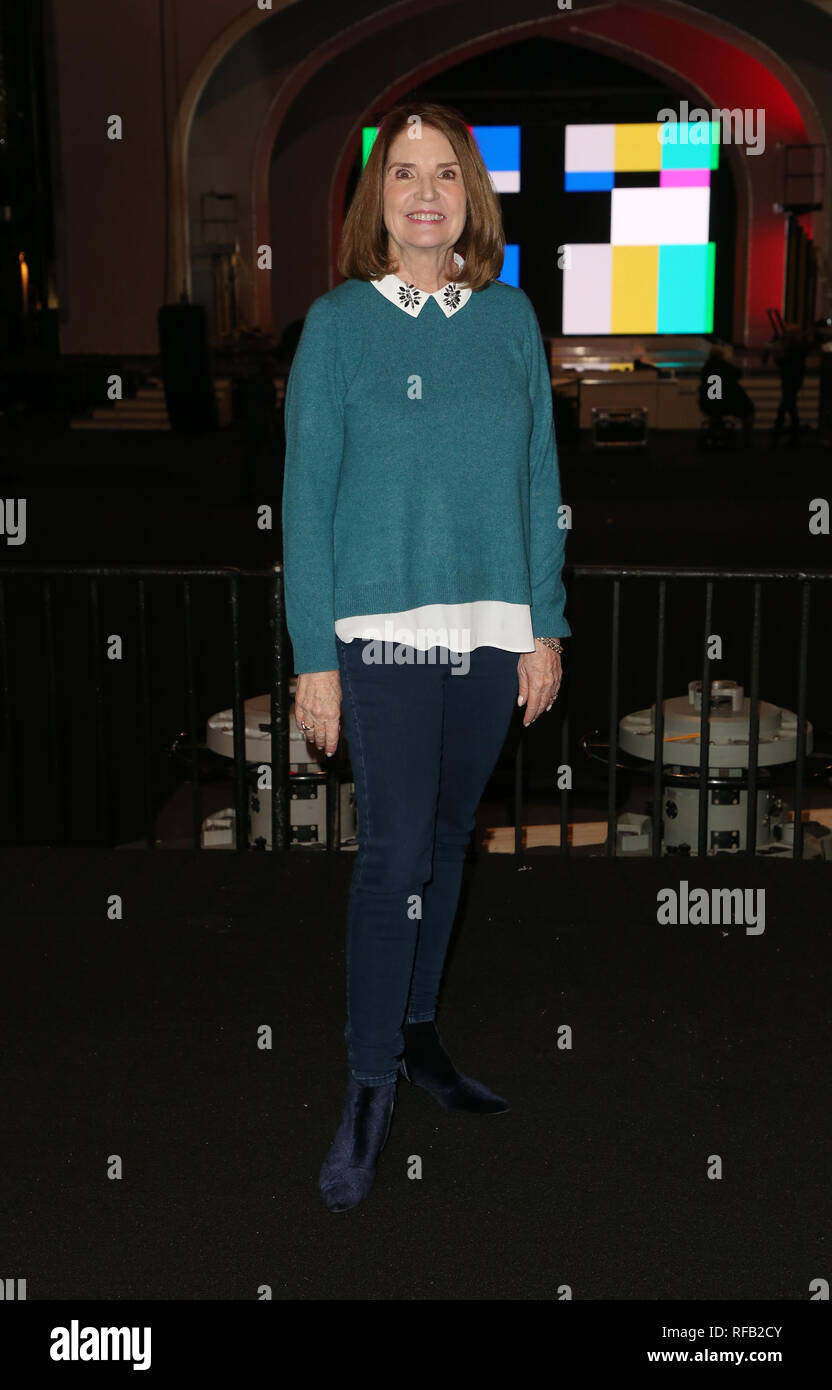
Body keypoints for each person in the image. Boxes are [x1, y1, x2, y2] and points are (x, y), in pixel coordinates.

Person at [281, 102, 570, 1213]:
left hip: (492, 636)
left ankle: (415, 1036)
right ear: (377, 201)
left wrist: (541, 623)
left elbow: (539, 478)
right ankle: (365, 1089)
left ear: (470, 197)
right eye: (401, 173)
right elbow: (305, 503)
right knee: (393, 853)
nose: (422, 192)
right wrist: (315, 657)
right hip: (382, 637)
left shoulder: (506, 321)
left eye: (443, 173)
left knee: (448, 842)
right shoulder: (340, 324)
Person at [698, 345, 755, 445]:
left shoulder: (705, 369)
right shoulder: (726, 366)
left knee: (715, 411)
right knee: (749, 411)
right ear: (722, 355)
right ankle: (746, 440)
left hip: (708, 405)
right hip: (726, 404)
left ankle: (716, 431)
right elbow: (738, 374)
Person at [765, 323, 811, 447]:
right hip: (795, 380)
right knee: (789, 407)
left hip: (790, 380)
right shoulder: (800, 346)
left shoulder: (793, 347)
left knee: (786, 407)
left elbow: (782, 362)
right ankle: (789, 434)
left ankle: (780, 432)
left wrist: (776, 354)